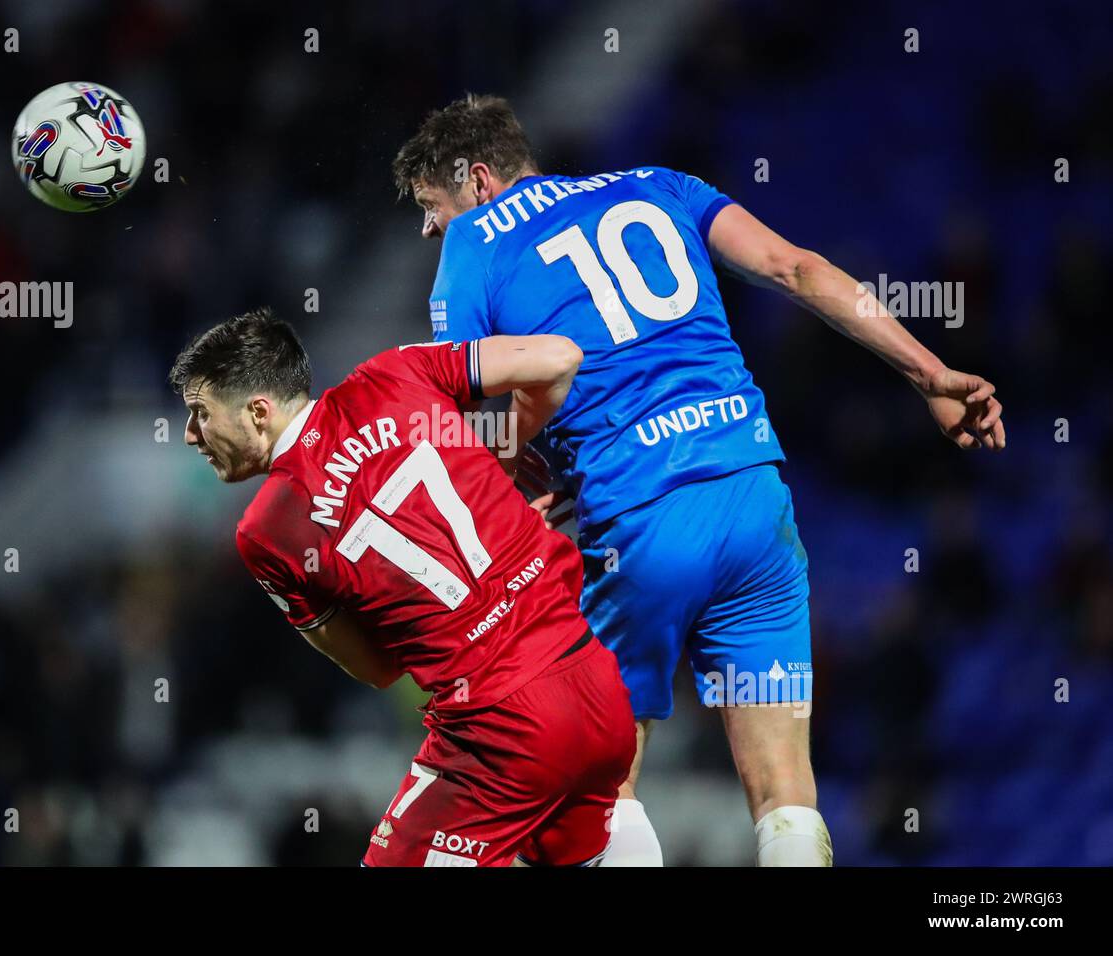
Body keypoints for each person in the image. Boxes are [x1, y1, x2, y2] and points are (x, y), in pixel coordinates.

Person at [394, 94, 1005, 866]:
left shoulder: (474, 245)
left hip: (635, 521)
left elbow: (469, 421)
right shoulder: (659, 185)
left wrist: (517, 474)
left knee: (600, 790)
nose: (426, 228)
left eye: (429, 205)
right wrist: (931, 373)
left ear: (478, 181)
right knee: (786, 791)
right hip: (754, 495)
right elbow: (798, 267)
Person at [169, 308, 636, 866]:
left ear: (259, 412)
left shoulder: (266, 531)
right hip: (594, 686)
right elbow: (559, 359)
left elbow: (377, 669)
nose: (191, 434)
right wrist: (501, 466)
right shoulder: (394, 374)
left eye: (200, 414)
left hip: (501, 730)